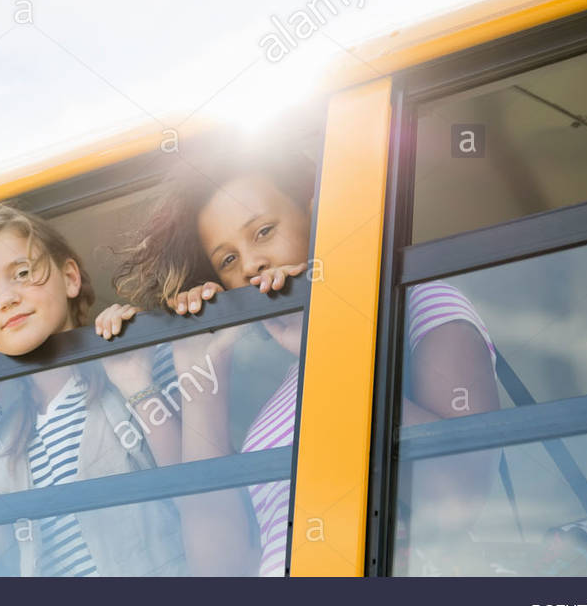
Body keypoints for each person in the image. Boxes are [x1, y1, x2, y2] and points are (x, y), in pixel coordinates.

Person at [97, 139, 499, 575]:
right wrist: (195, 376)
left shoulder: (420, 303)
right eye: (228, 259)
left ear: (315, 210)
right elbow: (220, 569)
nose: (250, 264)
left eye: (264, 231)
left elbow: (460, 494)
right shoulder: (278, 385)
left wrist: (323, 353)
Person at [0, 204, 186, 576]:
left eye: (23, 273)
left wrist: (137, 384)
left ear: (69, 277)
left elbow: (202, 495)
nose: (6, 298)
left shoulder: (138, 364)